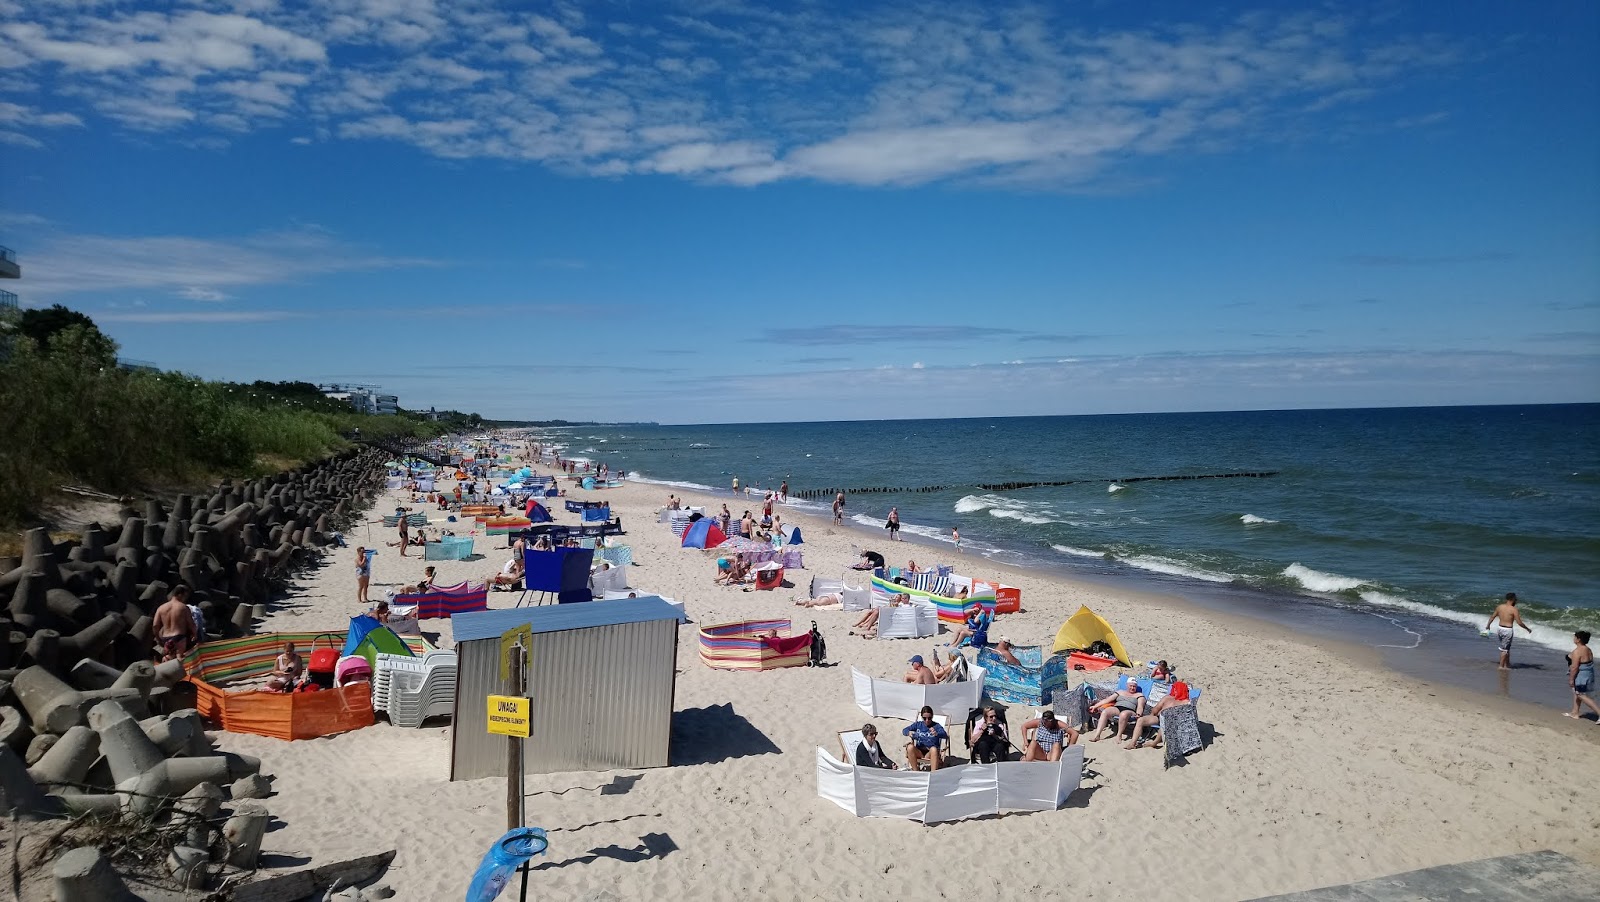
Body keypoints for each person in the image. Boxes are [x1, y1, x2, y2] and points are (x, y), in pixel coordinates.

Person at [1124, 683, 1193, 749]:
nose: (1174, 690)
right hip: (1159, 717)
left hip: (1171, 721)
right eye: (1173, 688)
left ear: (1181, 690)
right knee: (1140, 720)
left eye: (1176, 688)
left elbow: (1186, 713)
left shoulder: (1185, 702)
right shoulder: (1167, 698)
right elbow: (1156, 709)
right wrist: (1151, 715)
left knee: (1164, 724)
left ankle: (1154, 743)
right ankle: (1133, 743)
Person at [1485, 592, 1533, 670]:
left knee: (1507, 647)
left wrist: (1488, 625)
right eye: (1515, 599)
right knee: (1504, 649)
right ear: (1513, 599)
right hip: (1507, 630)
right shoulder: (1514, 609)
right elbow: (1519, 622)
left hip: (1500, 628)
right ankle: (1501, 666)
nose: (1516, 601)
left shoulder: (1500, 607)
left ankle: (1507, 664)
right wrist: (1527, 629)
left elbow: (1492, 617)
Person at [153, 585, 198, 661]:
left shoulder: (161, 608)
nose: (185, 599)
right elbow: (191, 623)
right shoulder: (183, 607)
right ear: (180, 594)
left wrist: (158, 638)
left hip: (165, 638)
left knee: (168, 658)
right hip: (179, 637)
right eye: (185, 596)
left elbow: (155, 625)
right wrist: (195, 634)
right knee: (179, 659)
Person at [902, 706, 948, 771]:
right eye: (924, 718)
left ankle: (933, 773)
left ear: (932, 716)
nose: (927, 720)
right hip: (919, 752)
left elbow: (945, 735)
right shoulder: (918, 725)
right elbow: (904, 730)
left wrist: (937, 734)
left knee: (934, 749)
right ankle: (915, 771)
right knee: (910, 747)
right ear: (921, 717)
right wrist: (908, 732)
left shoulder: (936, 726)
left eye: (929, 718)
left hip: (930, 753)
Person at [1567, 631, 1599, 722]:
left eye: (1575, 637)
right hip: (1589, 674)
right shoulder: (1588, 649)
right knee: (1577, 692)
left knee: (1581, 695)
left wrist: (1571, 679)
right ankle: (1575, 712)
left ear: (1578, 639)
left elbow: (1574, 667)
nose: (1573, 638)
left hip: (1581, 675)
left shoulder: (1577, 651)